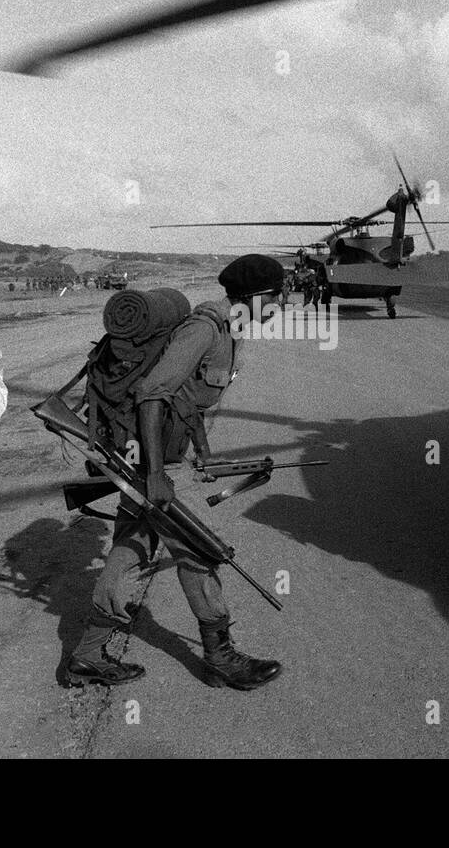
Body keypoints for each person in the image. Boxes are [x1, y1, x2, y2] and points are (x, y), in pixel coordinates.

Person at [65, 254, 286, 692]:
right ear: (256, 297)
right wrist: (154, 474)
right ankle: (220, 658)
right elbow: (152, 394)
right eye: (277, 296)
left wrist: (201, 453)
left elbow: (188, 400)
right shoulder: (205, 330)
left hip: (166, 455)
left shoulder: (230, 331)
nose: (281, 305)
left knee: (131, 548)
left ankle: (87, 657)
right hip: (153, 460)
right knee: (198, 551)